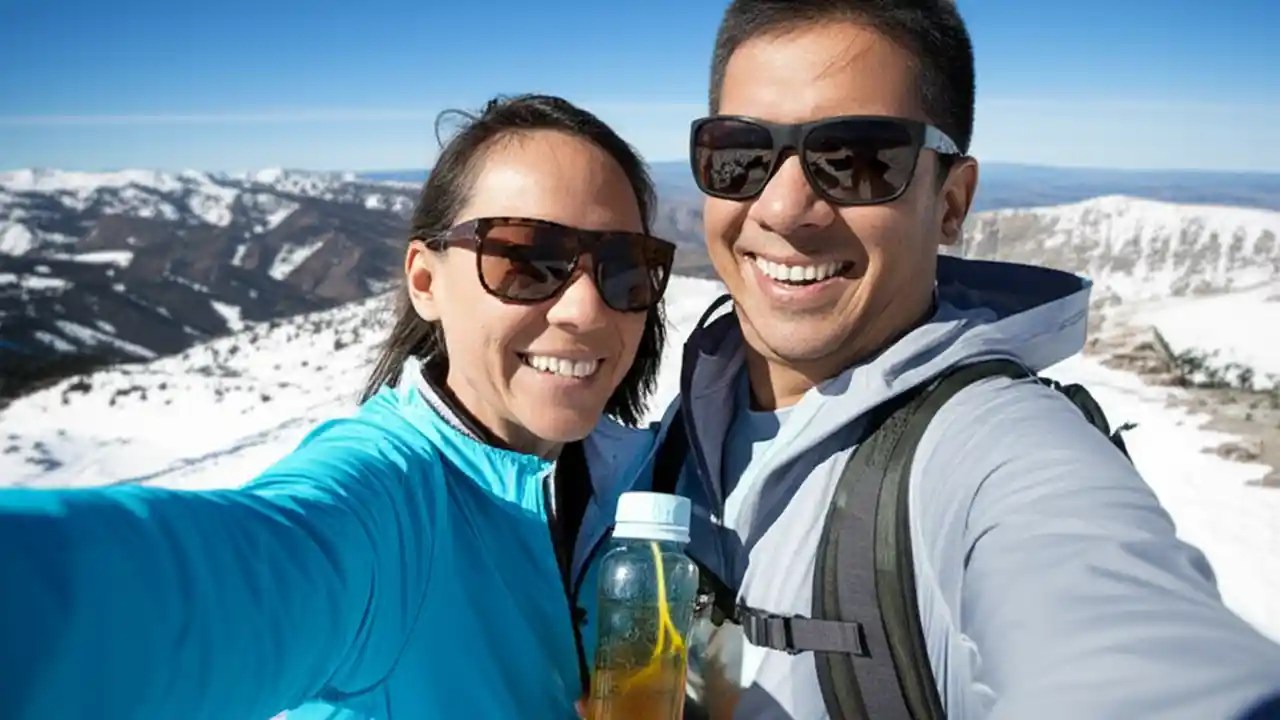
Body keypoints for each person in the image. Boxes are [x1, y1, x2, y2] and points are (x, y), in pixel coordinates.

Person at [649, 1, 1280, 719]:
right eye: (741, 155)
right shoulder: (693, 415)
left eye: (857, 159)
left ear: (951, 203)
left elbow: (1129, 643)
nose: (784, 208)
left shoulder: (993, 450)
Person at [0, 93, 678, 720]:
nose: (587, 310)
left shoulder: (654, 479)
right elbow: (209, 587)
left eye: (623, 265)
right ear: (424, 282)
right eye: (526, 260)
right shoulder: (383, 510)